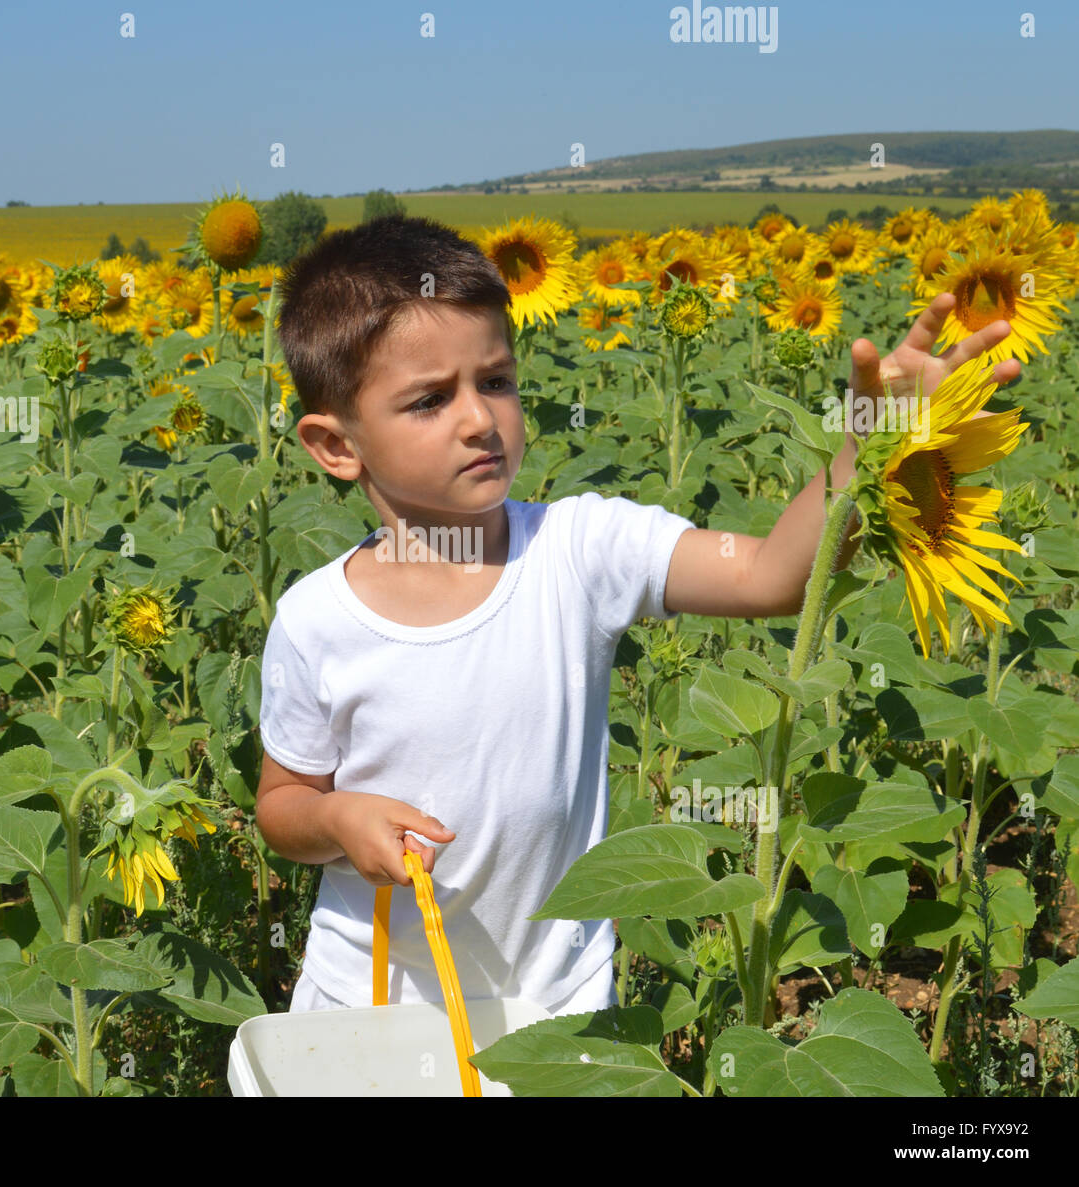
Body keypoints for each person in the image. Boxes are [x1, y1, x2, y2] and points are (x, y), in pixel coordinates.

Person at [255, 213, 1021, 1017]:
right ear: (336, 446)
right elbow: (284, 805)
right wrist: (338, 818)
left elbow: (771, 576)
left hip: (551, 1001)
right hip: (369, 1003)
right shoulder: (317, 620)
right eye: (428, 400)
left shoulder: (580, 546)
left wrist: (870, 438)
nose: (479, 418)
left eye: (496, 380)